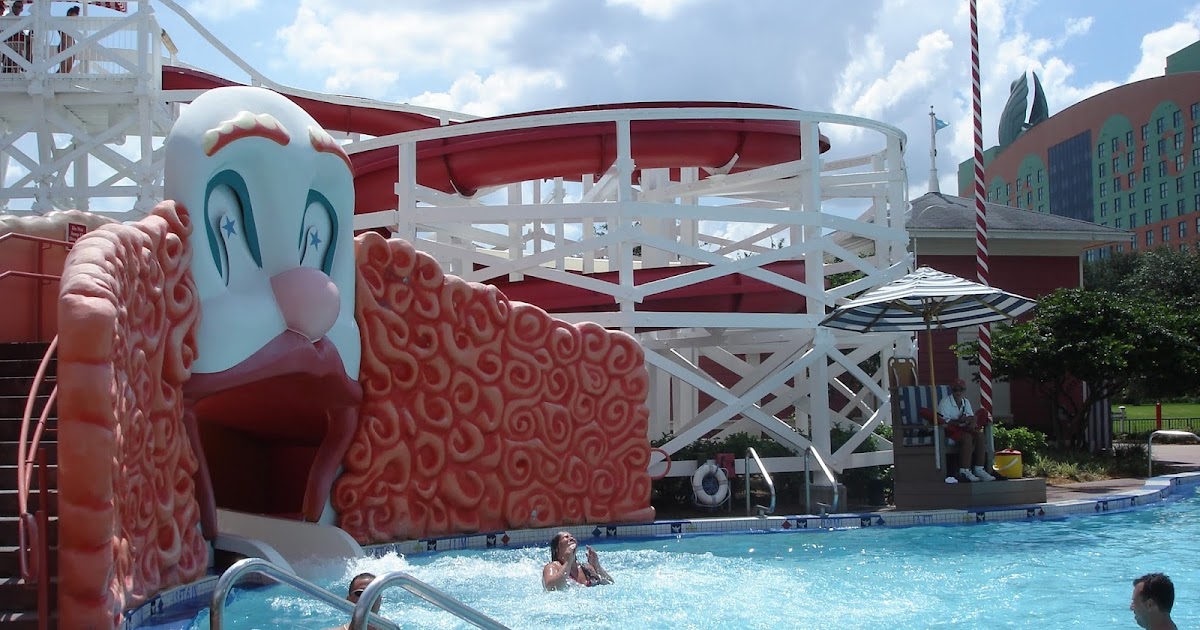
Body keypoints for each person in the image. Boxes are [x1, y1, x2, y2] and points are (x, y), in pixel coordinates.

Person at [937, 378, 998, 482]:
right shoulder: (945, 403)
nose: (958, 392)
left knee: (980, 436)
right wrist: (959, 421)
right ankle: (964, 470)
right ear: (952, 391)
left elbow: (969, 416)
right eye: (955, 390)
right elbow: (943, 420)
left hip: (963, 427)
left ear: (964, 390)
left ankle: (979, 469)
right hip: (950, 429)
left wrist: (971, 421)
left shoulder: (966, 402)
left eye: (961, 389)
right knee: (967, 438)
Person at [542, 531, 612, 591]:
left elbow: (610, 584)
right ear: (557, 548)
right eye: (566, 537)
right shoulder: (553, 567)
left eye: (572, 536)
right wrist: (568, 562)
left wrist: (597, 566)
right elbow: (551, 588)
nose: (571, 538)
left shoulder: (585, 568)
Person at [57, 5, 79, 74]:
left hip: (71, 43)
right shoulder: (64, 24)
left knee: (68, 70)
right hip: (65, 43)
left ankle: (59, 81)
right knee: (63, 69)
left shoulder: (73, 25)